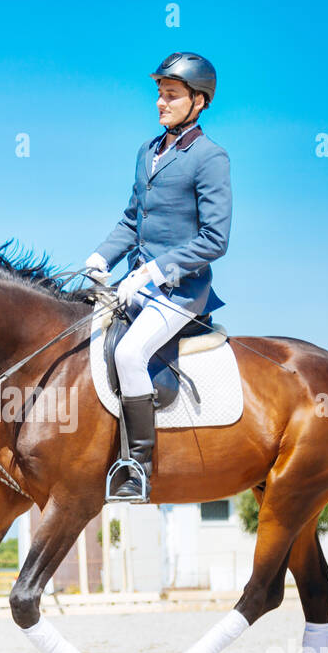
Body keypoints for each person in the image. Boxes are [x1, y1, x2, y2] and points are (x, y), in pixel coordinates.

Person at [86, 52, 232, 501]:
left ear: (199, 101)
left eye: (171, 95)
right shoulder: (147, 152)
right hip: (134, 282)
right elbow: (132, 220)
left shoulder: (210, 157)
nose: (161, 102)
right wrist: (100, 258)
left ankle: (138, 469)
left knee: (130, 354)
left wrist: (155, 270)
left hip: (180, 291)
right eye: (159, 94)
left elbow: (215, 239)